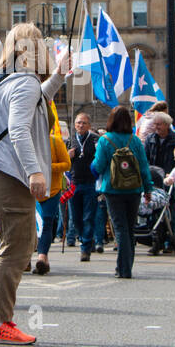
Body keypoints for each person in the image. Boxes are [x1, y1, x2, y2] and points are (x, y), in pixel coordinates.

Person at [0, 23, 65, 342]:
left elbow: (35, 101)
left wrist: (58, 76)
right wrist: (35, 172)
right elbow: (19, 129)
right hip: (7, 173)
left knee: (9, 243)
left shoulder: (2, 80)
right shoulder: (26, 81)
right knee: (20, 246)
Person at [91, 105, 150, 278]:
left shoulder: (105, 140)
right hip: (134, 189)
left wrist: (92, 168)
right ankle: (127, 266)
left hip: (113, 188)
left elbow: (99, 165)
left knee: (120, 228)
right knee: (130, 228)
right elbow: (144, 166)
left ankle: (123, 269)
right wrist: (148, 188)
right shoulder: (135, 140)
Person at [33, 101, 71, 275]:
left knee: (47, 223)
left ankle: (42, 257)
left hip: (52, 189)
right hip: (30, 190)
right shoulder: (26, 141)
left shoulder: (55, 142)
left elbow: (67, 164)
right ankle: (25, 257)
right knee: (29, 226)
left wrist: (47, 167)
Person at [66, 112, 100, 262]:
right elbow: (63, 161)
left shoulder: (95, 140)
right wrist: (68, 156)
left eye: (84, 123)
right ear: (74, 125)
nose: (81, 125)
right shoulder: (70, 141)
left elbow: (100, 158)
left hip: (90, 182)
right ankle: (85, 237)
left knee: (88, 216)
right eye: (79, 123)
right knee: (76, 217)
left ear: (89, 125)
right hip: (74, 182)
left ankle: (85, 248)